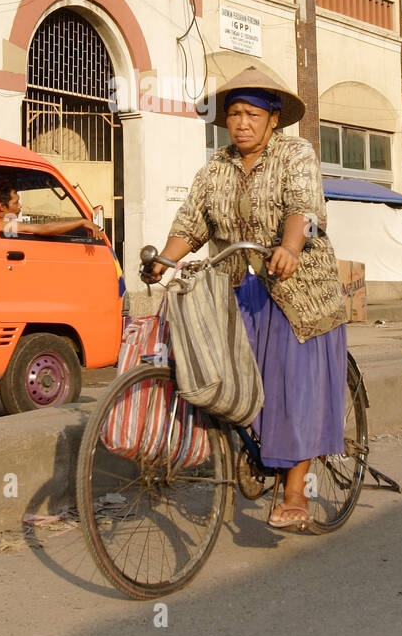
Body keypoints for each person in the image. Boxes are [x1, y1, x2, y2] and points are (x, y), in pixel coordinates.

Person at [149, 64, 348, 531]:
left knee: (290, 386)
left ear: (272, 119)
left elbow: (304, 207)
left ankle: (296, 489)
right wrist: (164, 261)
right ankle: (251, 456)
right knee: (232, 383)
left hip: (298, 294)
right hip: (237, 291)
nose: (242, 122)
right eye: (235, 114)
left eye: (252, 114)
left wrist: (291, 247)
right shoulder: (214, 168)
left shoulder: (295, 154)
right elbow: (190, 225)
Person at [0, 183, 104, 240]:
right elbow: (45, 228)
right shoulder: (6, 224)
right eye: (15, 203)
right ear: (2, 207)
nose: (20, 206)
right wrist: (81, 222)